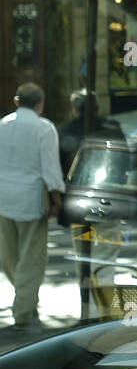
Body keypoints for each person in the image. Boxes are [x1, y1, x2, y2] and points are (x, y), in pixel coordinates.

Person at [0, 83, 66, 331]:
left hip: (4, 199)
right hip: (30, 200)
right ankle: (24, 309)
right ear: (40, 103)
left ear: (17, 101)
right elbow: (50, 169)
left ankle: (26, 300)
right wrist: (56, 198)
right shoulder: (44, 128)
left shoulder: (2, 125)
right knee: (31, 258)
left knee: (10, 257)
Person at [57, 90, 124, 178]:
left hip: (75, 182)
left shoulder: (63, 131)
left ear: (75, 109)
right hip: (109, 180)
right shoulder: (112, 127)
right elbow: (122, 160)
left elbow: (59, 165)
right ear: (97, 107)